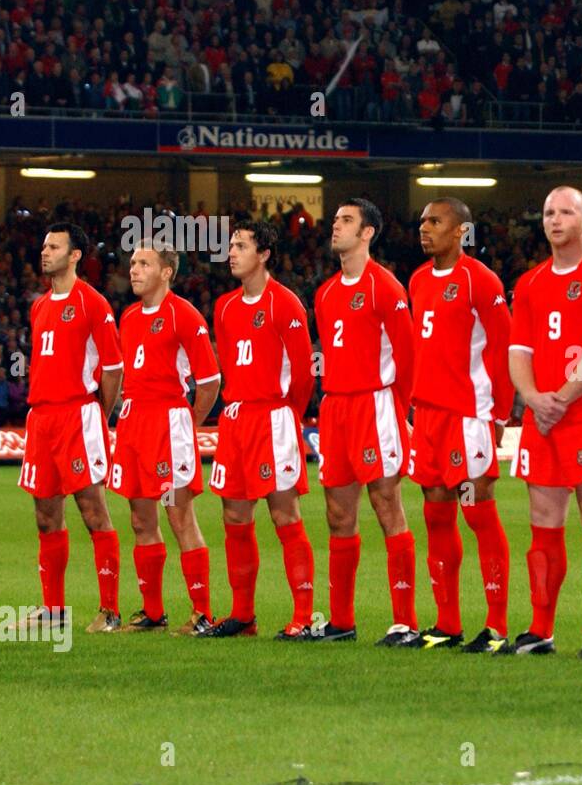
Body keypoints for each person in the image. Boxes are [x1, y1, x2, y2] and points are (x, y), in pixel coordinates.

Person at [505, 186, 582, 657]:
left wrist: (559, 400)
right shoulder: (530, 282)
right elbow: (519, 352)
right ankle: (541, 629)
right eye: (549, 212)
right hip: (542, 419)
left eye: (566, 212)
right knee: (543, 524)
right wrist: (533, 398)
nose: (555, 220)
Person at [407, 197, 514, 652]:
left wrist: (500, 416)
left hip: (467, 418)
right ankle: (447, 624)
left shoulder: (480, 280)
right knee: (436, 514)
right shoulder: (417, 280)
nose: (425, 228)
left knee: (477, 512)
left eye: (436, 221)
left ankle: (496, 627)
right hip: (428, 417)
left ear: (460, 231)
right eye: (423, 221)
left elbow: (503, 349)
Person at [205, 220, 318, 639]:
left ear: (264, 254)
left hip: (273, 419)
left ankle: (303, 617)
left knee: (284, 513)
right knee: (234, 514)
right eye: (231, 245)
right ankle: (243, 616)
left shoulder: (285, 304)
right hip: (236, 419)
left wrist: (287, 416)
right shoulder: (224, 307)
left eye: (241, 246)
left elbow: (304, 374)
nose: (232, 252)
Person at [312, 198, 417, 644]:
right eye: (336, 220)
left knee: (386, 504)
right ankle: (341, 622)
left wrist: (399, 411)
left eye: (346, 220)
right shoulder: (325, 293)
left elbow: (409, 359)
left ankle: (405, 622)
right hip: (335, 408)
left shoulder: (385, 287)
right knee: (338, 514)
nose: (336, 226)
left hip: (374, 406)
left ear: (368, 232)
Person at [15, 223, 124, 633]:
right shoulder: (40, 306)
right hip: (41, 418)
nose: (45, 252)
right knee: (46, 515)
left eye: (54, 246)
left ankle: (110, 611)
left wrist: (99, 413)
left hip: (78, 416)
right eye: (44, 245)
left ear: (75, 255)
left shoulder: (92, 302)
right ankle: (53, 611)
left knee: (93, 509)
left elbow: (113, 368)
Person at [108, 243, 221, 635]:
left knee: (179, 516)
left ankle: (202, 614)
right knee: (141, 518)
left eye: (144, 263)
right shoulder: (129, 317)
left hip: (168, 425)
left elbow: (210, 381)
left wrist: (187, 422)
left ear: (166, 272)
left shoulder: (183, 315)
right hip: (133, 423)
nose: (134, 270)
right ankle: (153, 613)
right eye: (133, 263)